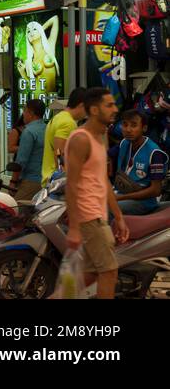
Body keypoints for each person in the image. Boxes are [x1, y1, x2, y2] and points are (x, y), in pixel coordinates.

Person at [65, 88, 130, 298]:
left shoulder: (100, 137)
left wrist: (118, 217)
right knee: (109, 270)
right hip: (88, 216)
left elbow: (103, 181)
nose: (115, 109)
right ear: (94, 109)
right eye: (109, 105)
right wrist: (74, 228)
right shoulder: (80, 139)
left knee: (90, 274)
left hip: (99, 215)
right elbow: (71, 185)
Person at [114, 110, 166, 215]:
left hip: (143, 202)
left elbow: (156, 190)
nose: (128, 130)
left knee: (108, 208)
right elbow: (104, 156)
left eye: (133, 125)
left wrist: (121, 197)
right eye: (125, 124)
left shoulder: (155, 153)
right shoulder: (124, 143)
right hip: (121, 193)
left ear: (144, 128)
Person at [43, 88, 86, 179]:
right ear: (82, 105)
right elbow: (60, 156)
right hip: (58, 182)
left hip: (51, 178)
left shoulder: (58, 117)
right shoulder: (68, 123)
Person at [14, 99, 48, 201]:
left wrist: (13, 182)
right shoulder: (48, 128)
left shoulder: (28, 132)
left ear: (31, 113)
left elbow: (21, 161)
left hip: (31, 181)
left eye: (24, 110)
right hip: (47, 180)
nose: (23, 114)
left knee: (14, 209)